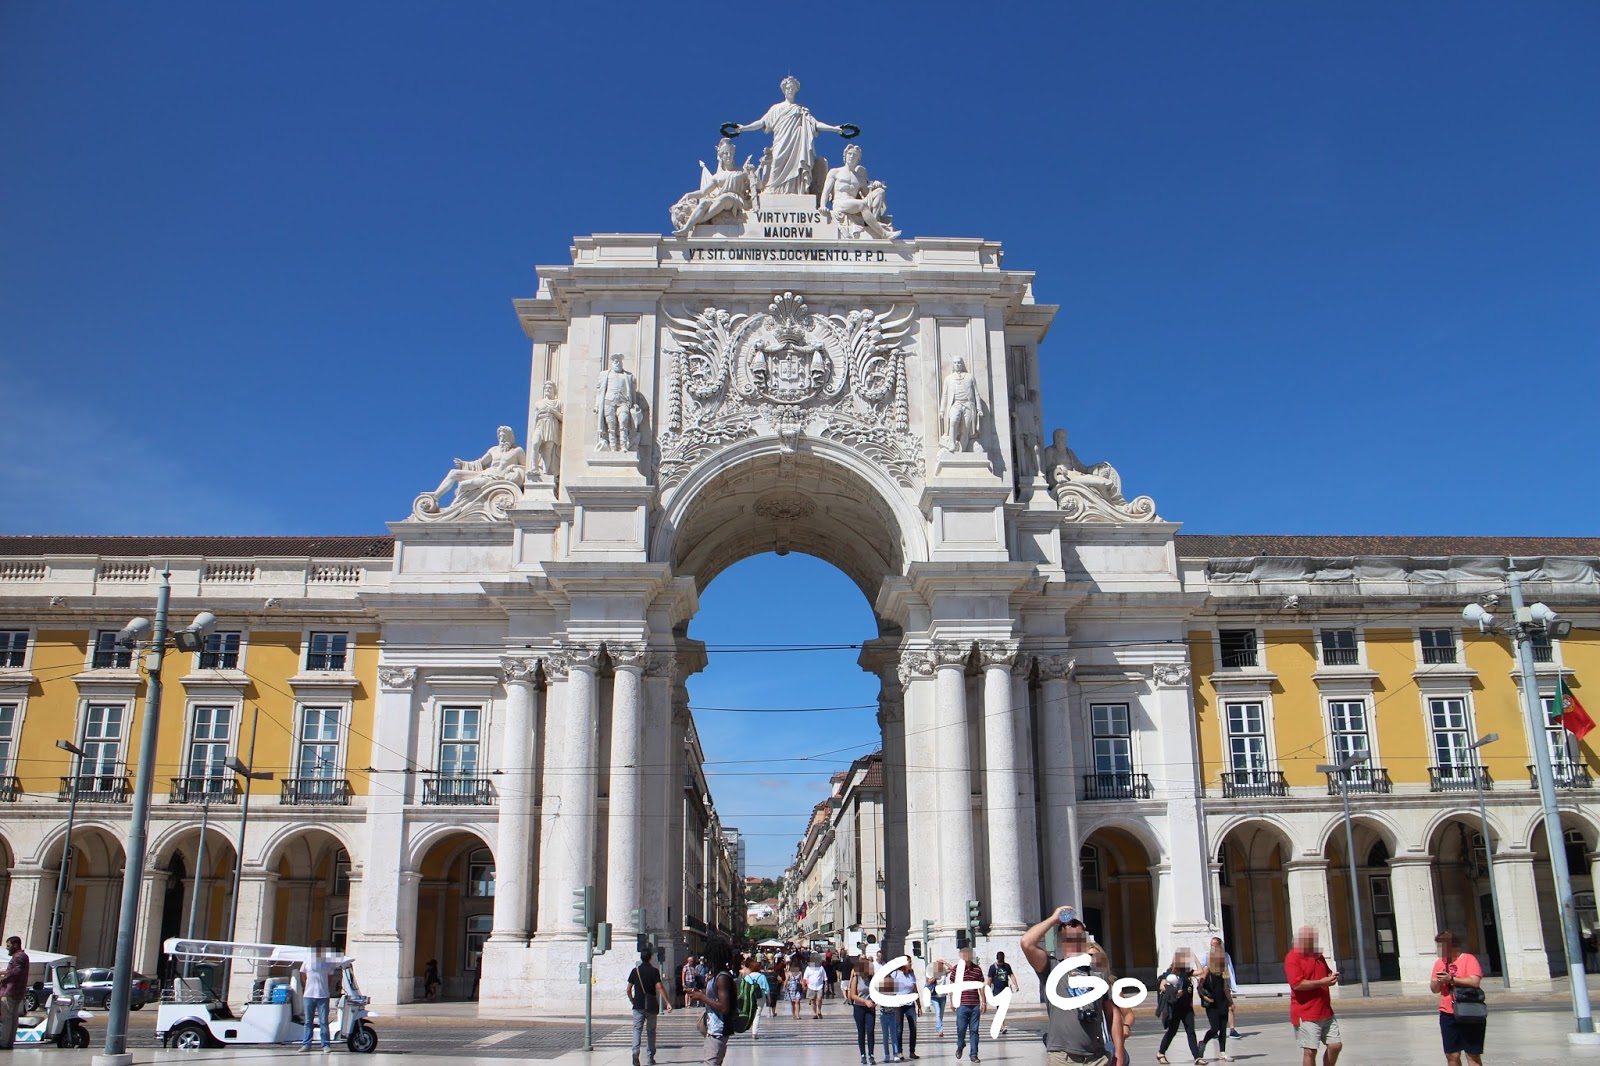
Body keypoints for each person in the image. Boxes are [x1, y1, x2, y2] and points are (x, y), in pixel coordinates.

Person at [1020, 907, 1124, 1066]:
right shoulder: (1052, 968)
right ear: (1062, 942)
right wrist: (1054, 919)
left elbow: (1112, 1014)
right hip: (1063, 1057)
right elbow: (1027, 943)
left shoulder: (1097, 972)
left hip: (1096, 1056)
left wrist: (1119, 1051)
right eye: (1070, 939)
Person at [732, 75, 848, 195]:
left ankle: (796, 191)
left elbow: (816, 124)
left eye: (792, 88)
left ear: (796, 90)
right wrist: (743, 128)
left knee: (797, 166)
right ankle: (773, 190)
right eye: (788, 88)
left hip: (797, 144)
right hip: (781, 141)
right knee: (776, 162)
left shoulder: (801, 110)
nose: (790, 91)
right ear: (784, 90)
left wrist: (835, 129)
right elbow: (762, 123)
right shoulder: (776, 108)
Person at [1285, 926, 1342, 1066]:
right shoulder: (1292, 957)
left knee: (1336, 1045)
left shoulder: (1318, 956)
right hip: (1306, 1013)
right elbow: (1297, 984)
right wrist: (1322, 982)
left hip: (1325, 1010)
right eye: (1309, 939)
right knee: (1310, 1051)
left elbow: (1326, 974)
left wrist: (1331, 977)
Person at [819, 144, 899, 239]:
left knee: (880, 192)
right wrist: (822, 206)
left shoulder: (860, 179)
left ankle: (874, 221)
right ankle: (883, 233)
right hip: (840, 203)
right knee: (862, 205)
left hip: (854, 204)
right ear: (845, 155)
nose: (851, 157)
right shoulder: (835, 172)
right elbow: (826, 191)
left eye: (854, 155)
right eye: (849, 154)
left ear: (858, 159)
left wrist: (875, 186)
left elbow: (868, 197)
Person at [1430, 930, 1485, 1066]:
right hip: (1447, 1013)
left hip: (1469, 1011)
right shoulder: (1439, 963)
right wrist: (1438, 981)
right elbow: (1434, 989)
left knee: (1472, 1054)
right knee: (1451, 1054)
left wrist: (1452, 979)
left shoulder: (1468, 959)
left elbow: (1474, 982)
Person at [430, 426, 528, 501]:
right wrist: (463, 463)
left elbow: (526, 468)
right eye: (500, 436)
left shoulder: (517, 451)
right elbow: (480, 463)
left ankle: (456, 508)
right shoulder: (493, 450)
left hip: (497, 478)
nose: (502, 439)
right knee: (453, 473)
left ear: (510, 438)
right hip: (485, 474)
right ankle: (435, 496)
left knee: (463, 485)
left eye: (504, 436)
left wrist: (513, 467)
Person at [685, 939, 737, 1066]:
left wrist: (702, 997)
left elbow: (724, 1007)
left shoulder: (722, 978)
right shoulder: (717, 976)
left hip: (718, 1030)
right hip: (713, 1028)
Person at [298, 940, 350, 1053]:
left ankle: (325, 1045)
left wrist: (324, 985)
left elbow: (330, 977)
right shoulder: (307, 961)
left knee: (323, 1021)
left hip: (323, 995)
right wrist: (307, 985)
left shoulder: (328, 962)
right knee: (308, 1021)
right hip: (309, 995)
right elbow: (302, 974)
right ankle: (306, 1044)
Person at [1087, 942, 1133, 1066]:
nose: (1092, 960)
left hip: (1108, 1043)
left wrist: (1126, 1026)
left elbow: (1128, 1014)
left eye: (1096, 957)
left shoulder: (1112, 987)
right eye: (1089, 956)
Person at [1154, 948, 1202, 1065]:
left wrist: (1194, 957)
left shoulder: (1186, 972)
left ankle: (1197, 1057)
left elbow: (1200, 971)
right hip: (1175, 1007)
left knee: (1191, 1031)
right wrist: (1175, 992)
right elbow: (1162, 986)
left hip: (1186, 1007)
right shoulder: (1170, 972)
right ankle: (1161, 1053)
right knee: (1172, 1031)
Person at [627, 946, 672, 1066]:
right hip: (651, 1006)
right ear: (650, 958)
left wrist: (632, 1000)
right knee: (651, 1031)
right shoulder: (654, 971)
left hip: (638, 1005)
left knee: (637, 1029)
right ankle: (650, 1057)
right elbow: (659, 987)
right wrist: (667, 1002)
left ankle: (635, 1051)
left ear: (641, 958)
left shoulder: (635, 971)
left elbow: (628, 989)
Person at [950, 946, 988, 1063]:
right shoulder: (956, 969)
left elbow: (981, 986)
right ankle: (960, 1045)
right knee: (961, 1029)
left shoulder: (977, 969)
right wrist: (952, 1001)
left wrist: (984, 1002)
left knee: (974, 1030)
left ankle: (974, 1054)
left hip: (975, 1004)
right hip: (962, 1004)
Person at [595, 354, 639, 452]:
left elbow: (632, 393)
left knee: (623, 422)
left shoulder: (628, 376)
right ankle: (613, 447)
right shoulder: (604, 375)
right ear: (612, 363)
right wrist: (597, 405)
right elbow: (600, 391)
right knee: (611, 425)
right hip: (608, 402)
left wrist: (634, 404)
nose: (617, 363)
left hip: (623, 402)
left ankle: (623, 445)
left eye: (619, 361)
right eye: (615, 361)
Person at [1198, 945, 1235, 1062]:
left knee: (1223, 1028)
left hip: (1222, 1001)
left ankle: (1222, 1052)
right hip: (1212, 1002)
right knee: (1215, 1027)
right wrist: (1204, 997)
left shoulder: (1223, 969)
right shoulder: (1207, 969)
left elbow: (1225, 987)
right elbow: (1200, 984)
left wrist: (1230, 1001)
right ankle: (1203, 1042)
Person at [940, 357, 981, 453]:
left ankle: (963, 450)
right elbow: (944, 395)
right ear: (953, 365)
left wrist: (979, 409)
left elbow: (976, 394)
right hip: (955, 404)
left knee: (966, 429)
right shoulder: (948, 378)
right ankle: (953, 444)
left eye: (959, 362)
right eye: (955, 363)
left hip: (968, 404)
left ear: (962, 364)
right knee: (953, 422)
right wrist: (942, 410)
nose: (957, 364)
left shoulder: (970, 377)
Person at [846, 954, 878, 1066]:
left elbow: (877, 991)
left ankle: (871, 1055)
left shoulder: (872, 979)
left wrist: (876, 1000)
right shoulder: (856, 977)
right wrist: (865, 1001)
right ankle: (863, 1055)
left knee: (870, 1030)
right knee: (861, 1031)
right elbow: (853, 995)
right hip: (859, 1007)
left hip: (870, 1008)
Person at [1208, 936, 1240, 1038]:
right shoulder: (1207, 956)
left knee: (1229, 1007)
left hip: (1223, 984)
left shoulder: (1225, 956)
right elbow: (1203, 971)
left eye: (1215, 945)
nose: (1213, 947)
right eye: (1212, 945)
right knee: (1215, 1009)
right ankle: (1215, 1030)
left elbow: (1228, 970)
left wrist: (1229, 983)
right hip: (1212, 986)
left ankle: (1232, 1029)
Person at [529, 381, 563, 476]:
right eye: (546, 388)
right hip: (540, 424)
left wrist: (553, 411)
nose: (547, 390)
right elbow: (535, 419)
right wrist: (533, 430)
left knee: (549, 448)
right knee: (535, 444)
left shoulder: (557, 403)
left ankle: (545, 471)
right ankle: (534, 467)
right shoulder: (538, 403)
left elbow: (562, 418)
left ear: (554, 391)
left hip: (551, 424)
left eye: (550, 388)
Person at [0, 937, 28, 1051]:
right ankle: (9, 1042)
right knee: (13, 1018)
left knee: (6, 1018)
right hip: (18, 992)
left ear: (15, 945)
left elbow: (16, 971)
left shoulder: (18, 956)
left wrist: (2, 975)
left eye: (8, 945)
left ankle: (3, 1043)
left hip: (10, 991)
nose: (7, 948)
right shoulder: (23, 956)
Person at [894, 958, 921, 1060]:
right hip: (899, 1004)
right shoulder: (896, 974)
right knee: (899, 1028)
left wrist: (919, 1006)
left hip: (910, 1003)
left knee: (913, 1028)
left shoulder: (911, 973)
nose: (911, 963)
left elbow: (915, 989)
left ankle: (912, 1051)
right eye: (909, 962)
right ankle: (899, 1051)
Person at [740, 955, 768, 1040]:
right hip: (760, 996)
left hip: (750, 996)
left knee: (751, 1012)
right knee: (758, 1014)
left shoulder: (748, 977)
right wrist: (768, 998)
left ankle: (749, 1027)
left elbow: (744, 987)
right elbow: (766, 988)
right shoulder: (762, 976)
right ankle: (754, 1033)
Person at [926, 959, 948, 1037]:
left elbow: (952, 969)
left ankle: (938, 1027)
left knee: (941, 1013)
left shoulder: (944, 972)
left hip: (943, 996)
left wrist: (945, 962)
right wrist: (935, 975)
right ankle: (940, 1030)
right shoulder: (931, 972)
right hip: (934, 996)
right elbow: (929, 982)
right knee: (938, 1012)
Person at [804, 953, 828, 1018]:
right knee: (813, 1000)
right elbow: (805, 977)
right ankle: (815, 1013)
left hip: (819, 986)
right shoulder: (808, 968)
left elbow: (825, 977)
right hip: (811, 986)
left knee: (819, 999)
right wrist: (804, 985)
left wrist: (826, 985)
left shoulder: (821, 968)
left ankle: (819, 1011)